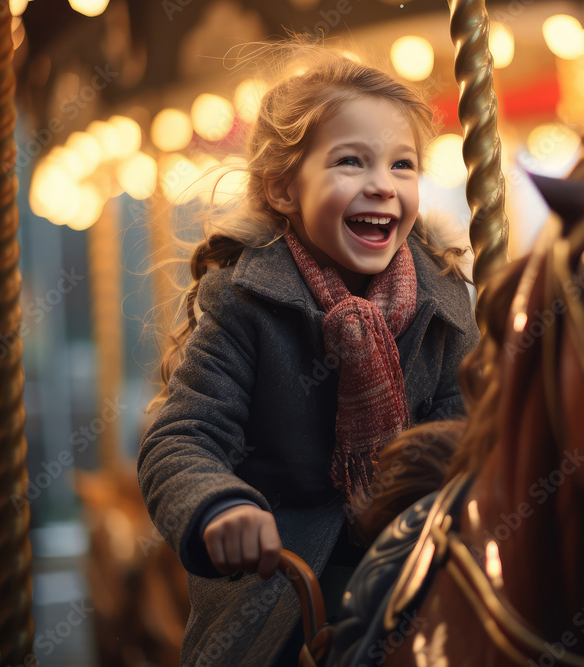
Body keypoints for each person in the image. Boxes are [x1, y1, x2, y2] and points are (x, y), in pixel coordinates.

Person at [137, 39, 479, 666]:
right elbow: (183, 436)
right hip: (286, 576)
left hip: (415, 561)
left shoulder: (444, 307)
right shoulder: (245, 303)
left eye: (402, 166)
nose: (382, 185)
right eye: (351, 162)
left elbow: (470, 436)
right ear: (284, 190)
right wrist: (221, 506)